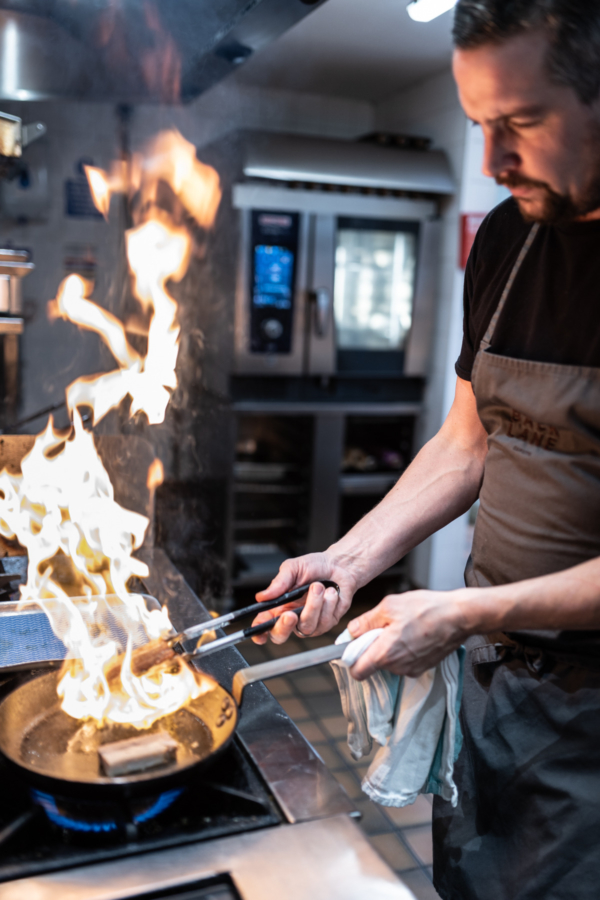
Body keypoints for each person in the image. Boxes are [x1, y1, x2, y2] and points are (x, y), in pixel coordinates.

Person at [251, 1, 600, 897]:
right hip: (491, 681)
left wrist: (464, 613)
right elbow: (467, 439)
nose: (491, 162)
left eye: (520, 123)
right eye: (481, 124)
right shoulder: (510, 239)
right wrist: (348, 559)